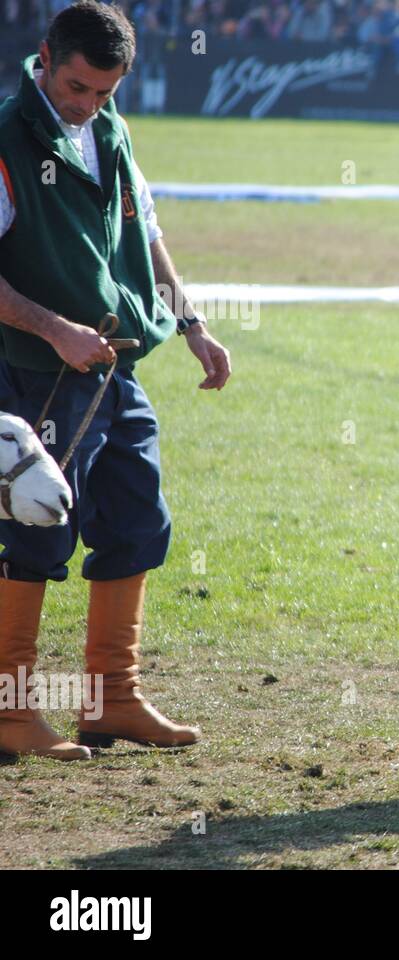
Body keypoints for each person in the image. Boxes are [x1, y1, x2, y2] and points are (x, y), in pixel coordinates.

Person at [0, 1, 230, 761]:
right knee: (34, 528)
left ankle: (113, 700)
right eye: (75, 87)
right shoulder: (5, 134)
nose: (86, 103)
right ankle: (9, 712)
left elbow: (149, 231)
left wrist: (192, 323)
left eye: (103, 92)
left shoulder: (111, 130)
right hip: (38, 373)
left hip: (118, 365)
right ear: (45, 57)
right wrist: (54, 329)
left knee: (137, 521)